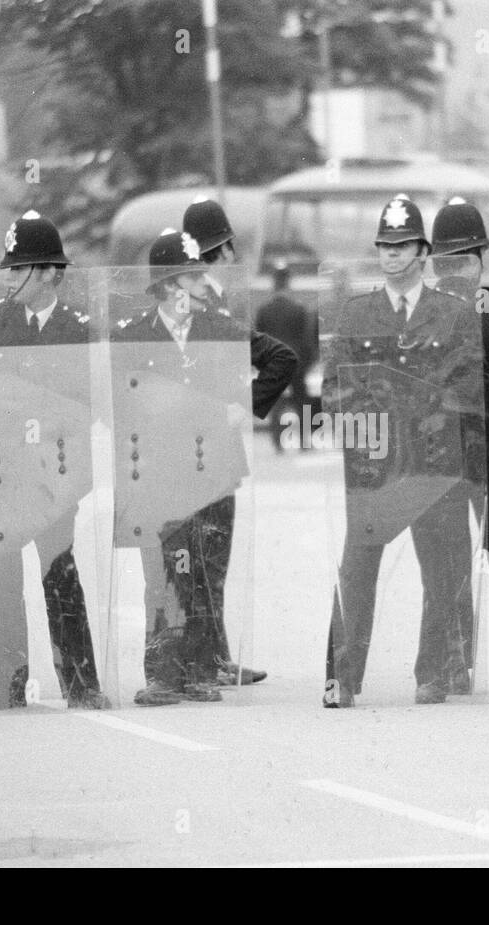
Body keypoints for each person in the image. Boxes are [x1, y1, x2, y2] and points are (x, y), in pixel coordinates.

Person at [116, 229, 294, 706]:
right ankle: (161, 676)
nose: (202, 283)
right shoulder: (132, 336)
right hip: (158, 477)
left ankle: (197, 670)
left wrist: (245, 405)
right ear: (166, 286)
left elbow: (282, 359)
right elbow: (116, 401)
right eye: (192, 276)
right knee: (161, 577)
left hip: (211, 471)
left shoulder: (217, 327)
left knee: (201, 575)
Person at [324, 194, 481, 707]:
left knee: (441, 570)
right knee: (356, 570)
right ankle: (342, 677)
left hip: (434, 462)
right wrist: (369, 429)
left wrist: (427, 419)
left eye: (402, 245)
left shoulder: (453, 314)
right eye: (385, 246)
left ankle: (432, 672)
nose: (391, 254)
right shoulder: (357, 314)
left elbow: (469, 386)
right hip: (376, 467)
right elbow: (335, 390)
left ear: (423, 252)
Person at [0, 210, 108, 710]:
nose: (10, 278)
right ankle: (10, 679)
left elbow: (88, 404)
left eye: (20, 268)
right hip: (4, 473)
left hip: (55, 476)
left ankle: (81, 682)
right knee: (1, 575)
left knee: (59, 572)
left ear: (50, 272)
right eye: (8, 268)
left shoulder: (79, 328)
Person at [428, 195, 489, 692]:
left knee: (465, 555)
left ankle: (467, 662)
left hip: (462, 443)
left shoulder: (435, 309)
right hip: (481, 441)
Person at [182, 195, 268, 685]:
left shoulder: (205, 299)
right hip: (209, 445)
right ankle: (206, 659)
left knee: (210, 560)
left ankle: (215, 654)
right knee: (209, 559)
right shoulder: (204, 302)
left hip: (210, 445)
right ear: (226, 250)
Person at [255, 261, 318, 452]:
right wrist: (308, 363)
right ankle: (304, 442)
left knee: (276, 402)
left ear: (274, 283)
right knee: (301, 401)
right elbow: (306, 340)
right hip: (295, 362)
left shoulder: (264, 310)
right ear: (288, 283)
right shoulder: (298, 309)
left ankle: (277, 442)